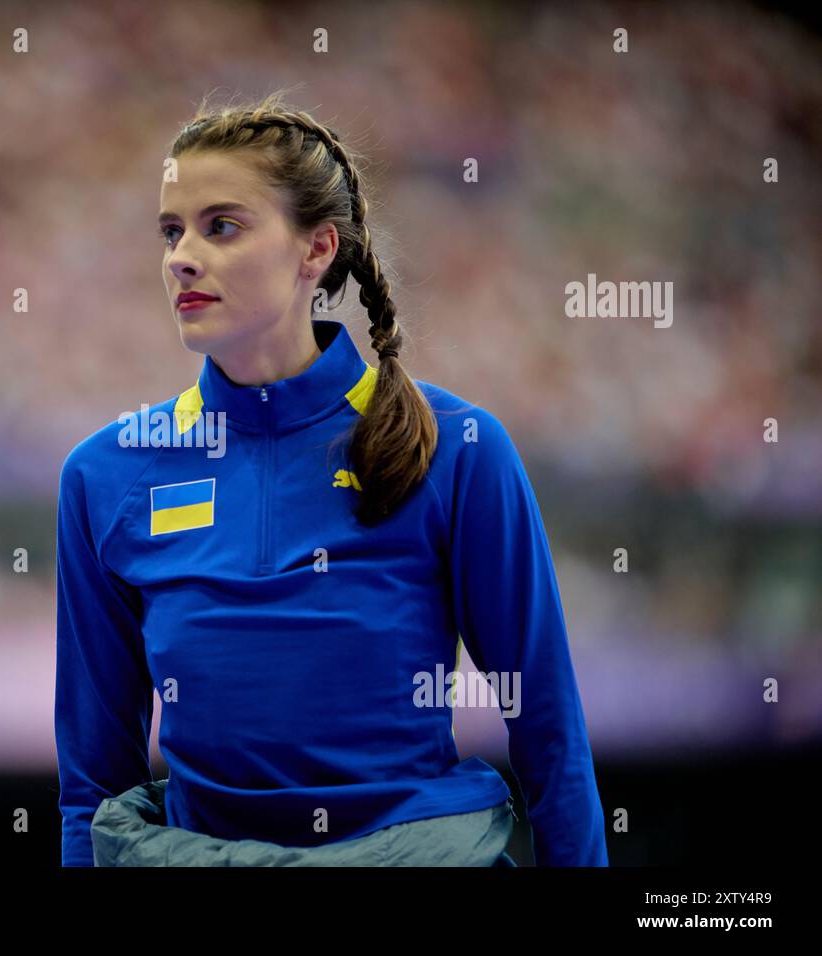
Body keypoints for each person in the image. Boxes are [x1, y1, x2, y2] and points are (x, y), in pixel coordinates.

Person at [54, 90, 608, 867]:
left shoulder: (461, 448)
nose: (182, 254)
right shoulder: (105, 474)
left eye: (222, 226)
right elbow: (93, 784)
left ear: (316, 250)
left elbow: (550, 732)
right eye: (171, 231)